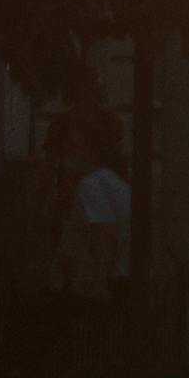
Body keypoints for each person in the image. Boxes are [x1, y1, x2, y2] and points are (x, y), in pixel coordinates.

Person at [53, 119, 134, 305]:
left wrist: (99, 284)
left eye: (74, 145)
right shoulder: (110, 181)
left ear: (92, 152)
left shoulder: (91, 185)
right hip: (120, 279)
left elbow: (105, 233)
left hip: (109, 285)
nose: (67, 150)